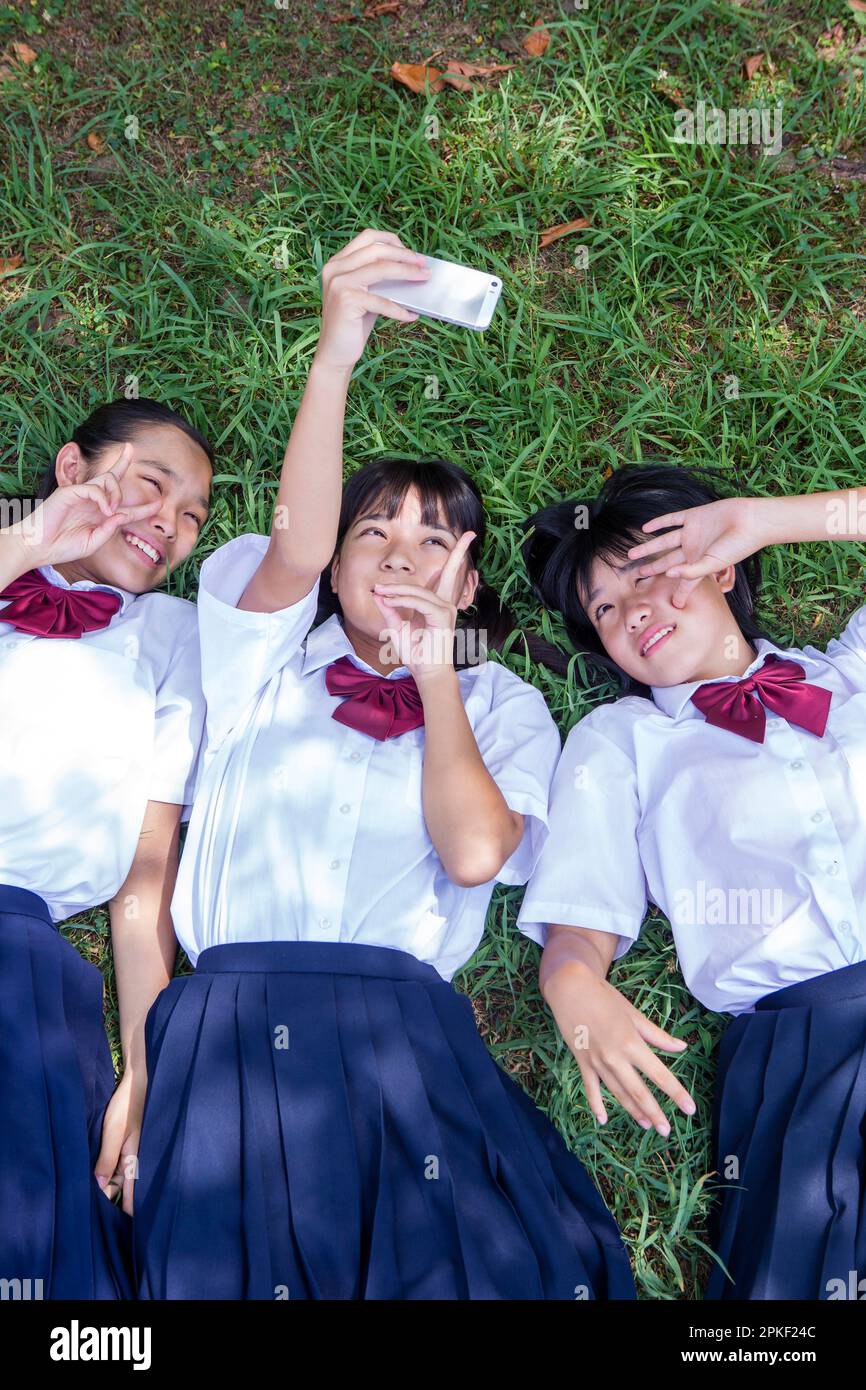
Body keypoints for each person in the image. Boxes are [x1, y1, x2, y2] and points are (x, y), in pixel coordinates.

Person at [133, 229, 635, 1301]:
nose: (400, 556)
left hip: (401, 1027)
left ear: (467, 586)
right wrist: (334, 355)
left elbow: (468, 857)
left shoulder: (498, 703)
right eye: (376, 534)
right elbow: (298, 545)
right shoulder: (260, 657)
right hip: (229, 1011)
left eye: (433, 543)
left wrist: (436, 673)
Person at [518, 462, 866, 1299]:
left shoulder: (851, 673)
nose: (632, 608)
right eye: (603, 607)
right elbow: (582, 914)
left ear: (720, 564)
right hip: (805, 1047)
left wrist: (770, 515)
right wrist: (569, 977)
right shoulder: (619, 739)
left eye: (648, 572)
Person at [0, 398, 211, 1297]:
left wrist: (145, 1065)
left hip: (21, 956)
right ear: (72, 468)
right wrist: (28, 543)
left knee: (36, 1234)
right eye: (151, 487)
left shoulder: (172, 636)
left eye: (192, 518)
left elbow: (145, 874)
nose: (167, 524)